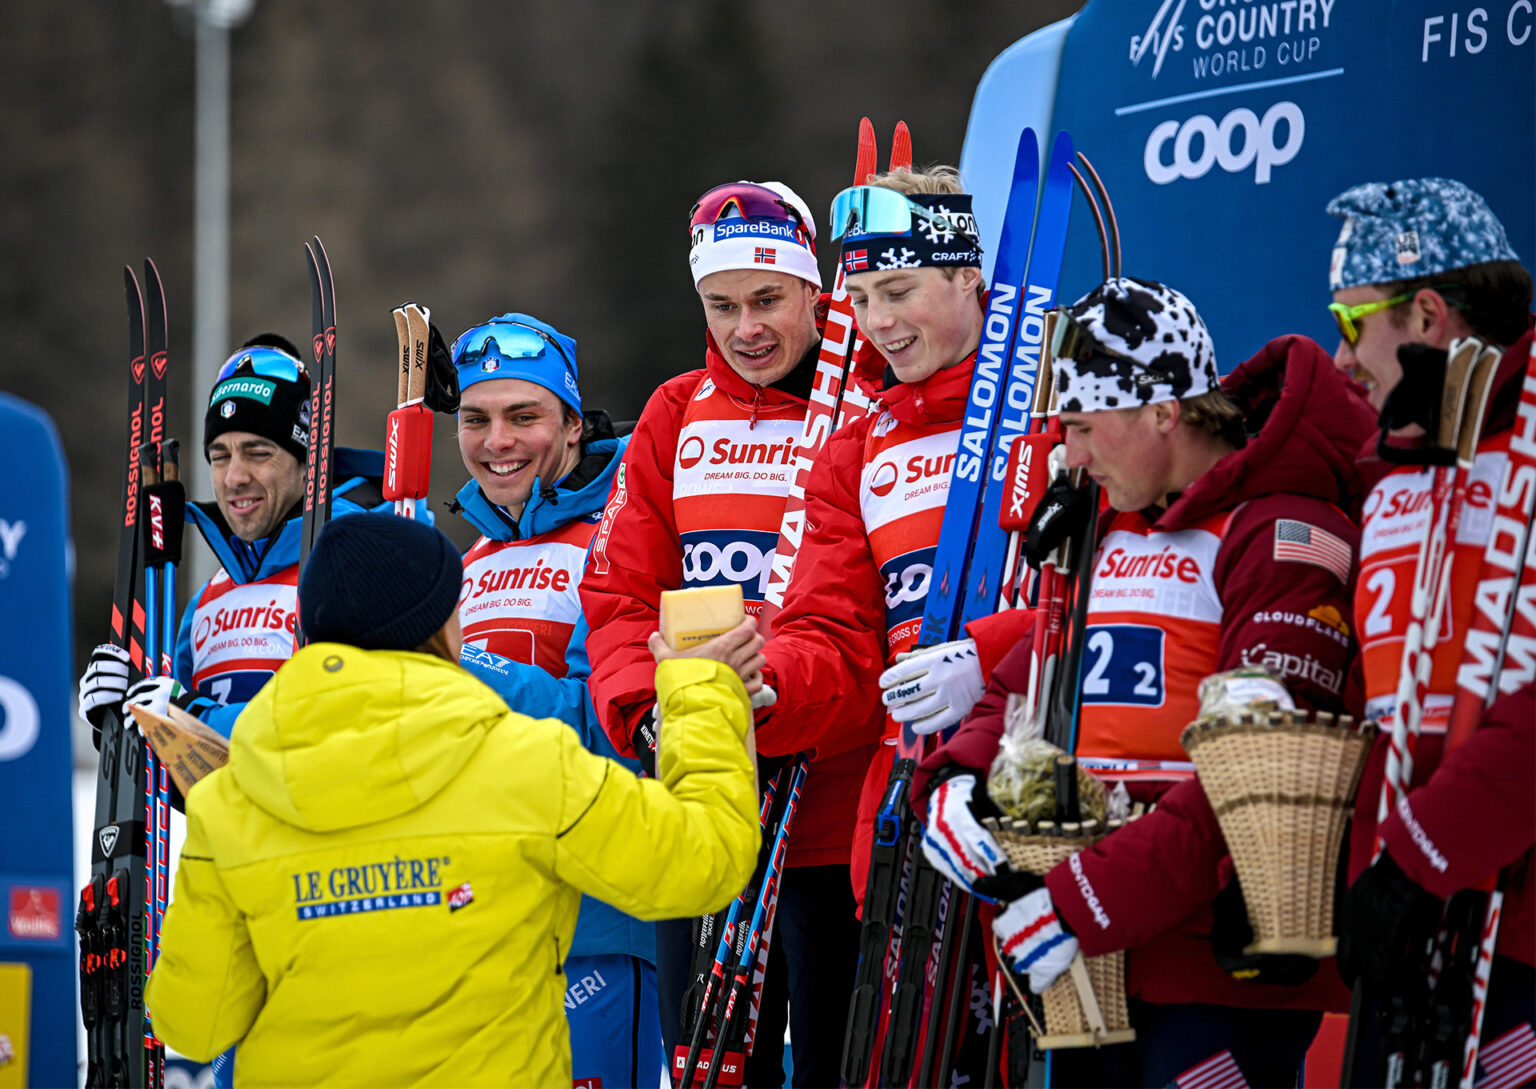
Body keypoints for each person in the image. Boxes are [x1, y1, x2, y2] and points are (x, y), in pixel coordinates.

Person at [913, 278, 1376, 1086]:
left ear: (1165, 413)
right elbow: (1030, 677)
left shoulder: (1281, 530)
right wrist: (955, 781)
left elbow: (1258, 783)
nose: (1076, 456)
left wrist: (1081, 900)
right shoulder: (1115, 524)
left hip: (1217, 972)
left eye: (1086, 428)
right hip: (1096, 966)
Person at [144, 512, 763, 1086]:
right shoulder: (529, 763)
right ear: (442, 626)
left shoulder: (230, 802)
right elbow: (703, 863)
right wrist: (701, 692)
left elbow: (193, 1023)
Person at [580, 180, 876, 1085]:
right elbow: (619, 597)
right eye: (721, 304)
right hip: (705, 796)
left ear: (815, 289)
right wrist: (649, 716)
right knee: (710, 1064)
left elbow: (871, 609)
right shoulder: (676, 413)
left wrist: (782, 685)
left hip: (830, 812)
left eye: (767, 300)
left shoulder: (867, 402)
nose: (746, 328)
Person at [1322, 178, 1534, 1087]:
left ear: (1428, 313)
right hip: (1412, 923)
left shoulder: (1522, 446)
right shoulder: (1394, 471)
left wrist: (1422, 855)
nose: (1340, 355)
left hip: (1512, 934)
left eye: (1349, 318)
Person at [446, 312, 664, 1088]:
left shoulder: (623, 534)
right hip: (478, 918)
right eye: (477, 418)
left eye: (523, 416)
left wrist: (469, 674)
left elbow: (619, 723)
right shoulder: (464, 562)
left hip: (597, 916)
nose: (497, 440)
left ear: (572, 426)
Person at [77, 335, 419, 741]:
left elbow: (358, 730)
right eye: (220, 456)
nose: (235, 477)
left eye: (258, 453)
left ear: (307, 461)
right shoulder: (206, 604)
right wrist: (123, 722)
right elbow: (194, 781)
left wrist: (191, 717)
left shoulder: (371, 570)